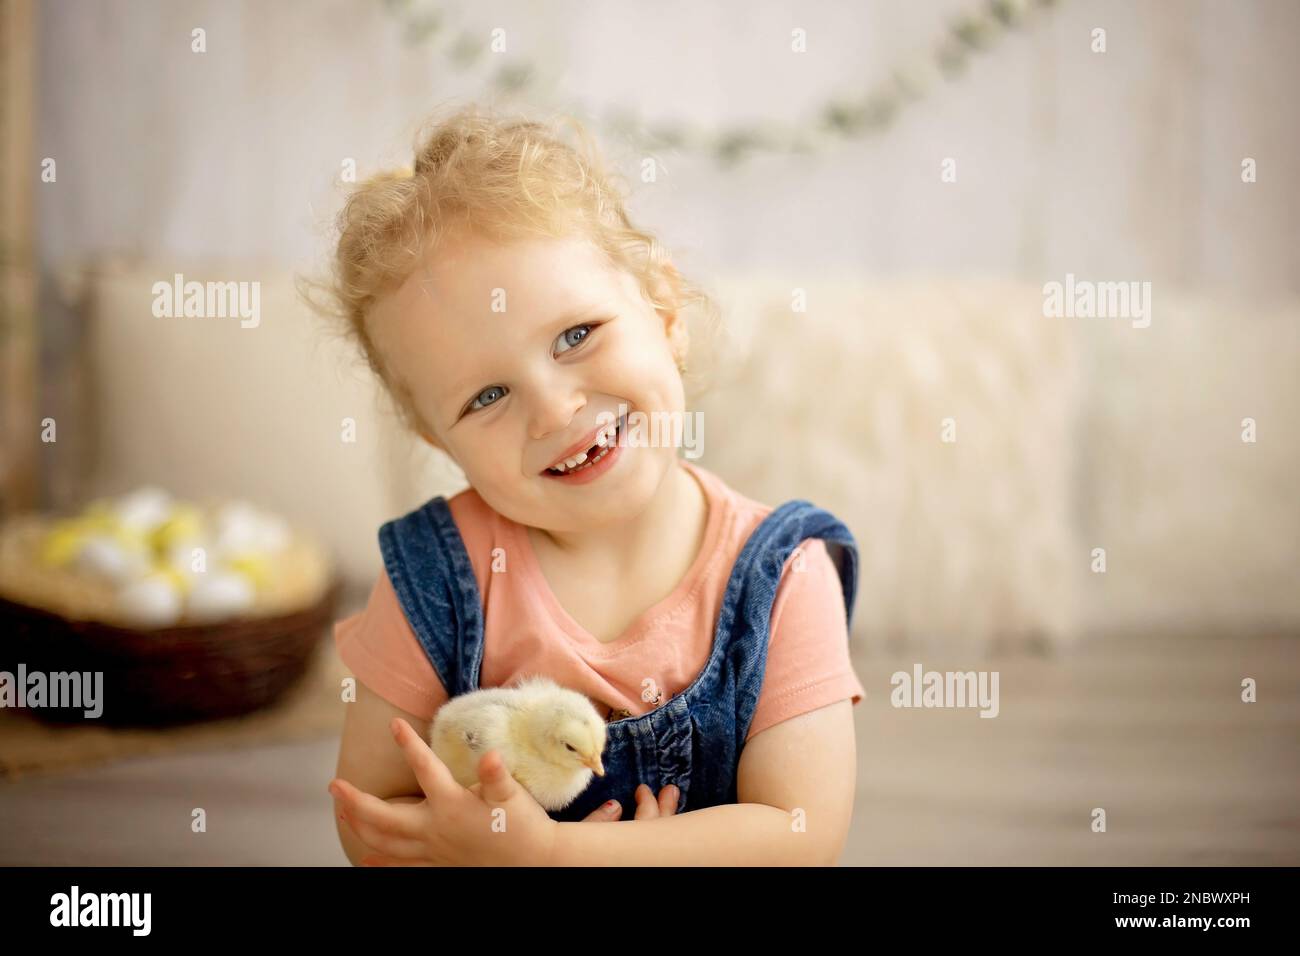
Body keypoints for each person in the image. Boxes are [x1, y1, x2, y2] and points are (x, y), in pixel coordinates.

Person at [319, 103, 865, 865]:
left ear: (665, 311)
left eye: (575, 336)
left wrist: (552, 856)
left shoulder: (781, 579)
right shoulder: (436, 579)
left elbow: (802, 833)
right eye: (486, 397)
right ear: (436, 438)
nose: (553, 409)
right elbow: (371, 819)